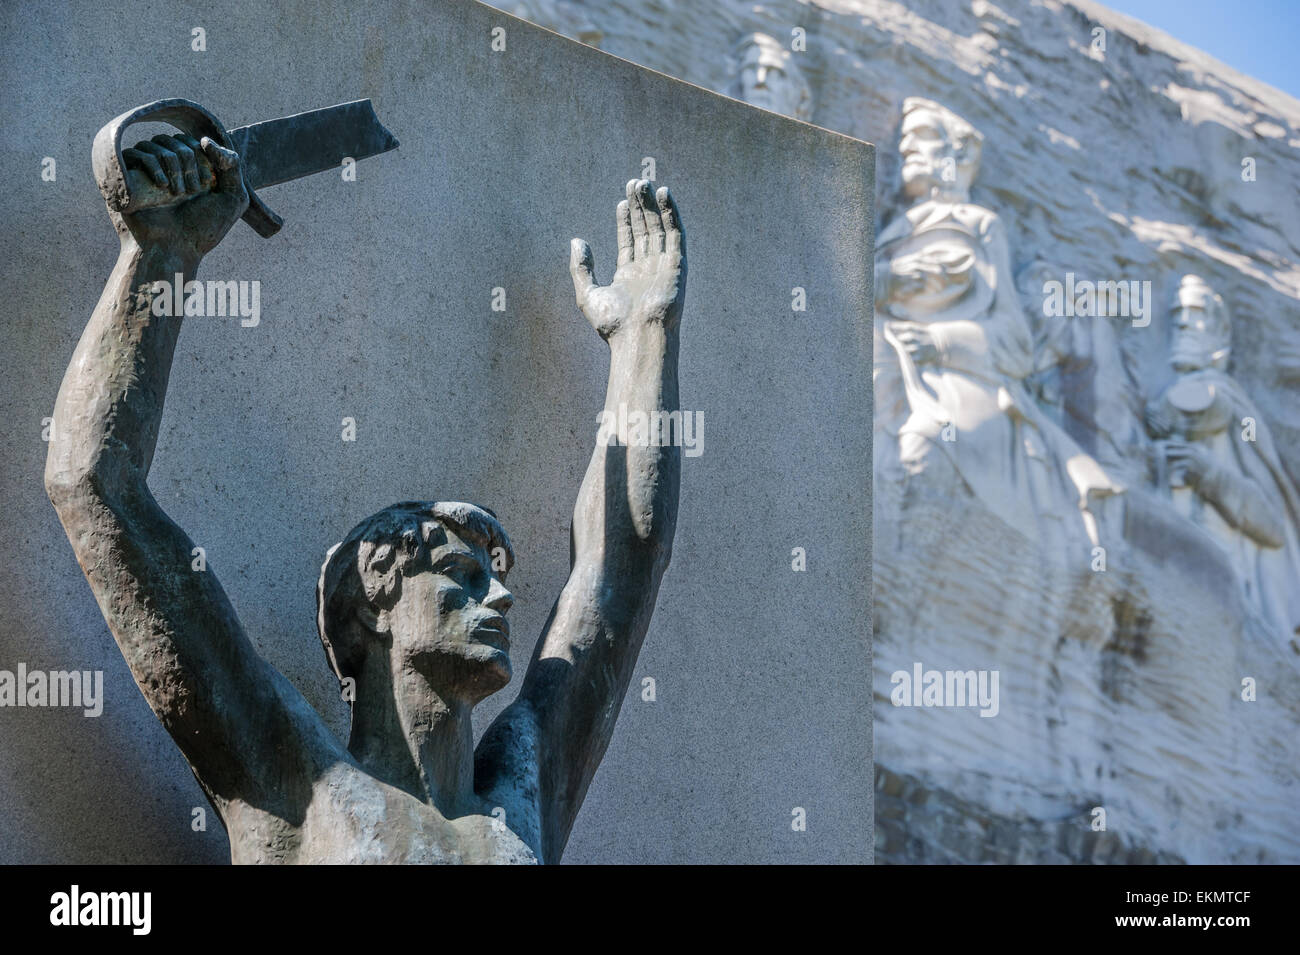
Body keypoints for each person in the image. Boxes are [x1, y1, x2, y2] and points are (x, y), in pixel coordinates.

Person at [44, 129, 686, 864]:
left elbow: (620, 568)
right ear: (377, 598)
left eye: (496, 577)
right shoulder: (300, 776)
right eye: (465, 575)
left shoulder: (519, 789)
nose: (504, 596)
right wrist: (160, 256)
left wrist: (646, 337)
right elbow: (94, 483)